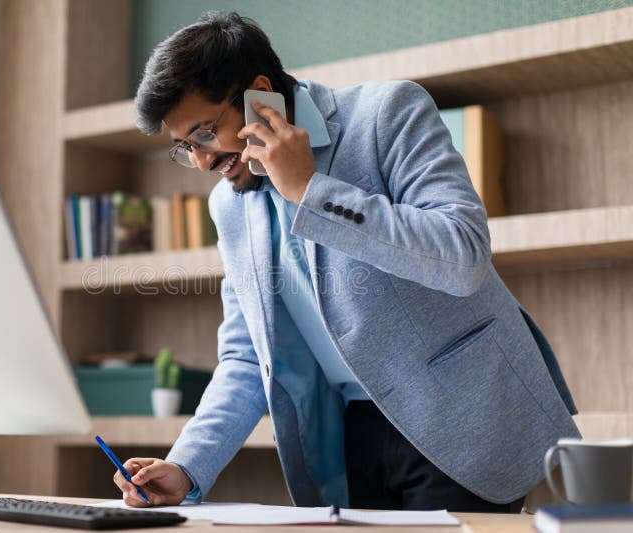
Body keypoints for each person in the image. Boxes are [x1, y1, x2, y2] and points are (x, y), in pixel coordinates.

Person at [113, 11, 580, 512]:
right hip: (345, 438)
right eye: (185, 148)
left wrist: (312, 191)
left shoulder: (387, 113)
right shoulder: (230, 205)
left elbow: (462, 254)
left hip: (459, 420)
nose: (202, 161)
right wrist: (187, 465)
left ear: (260, 94)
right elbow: (249, 355)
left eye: (205, 133)